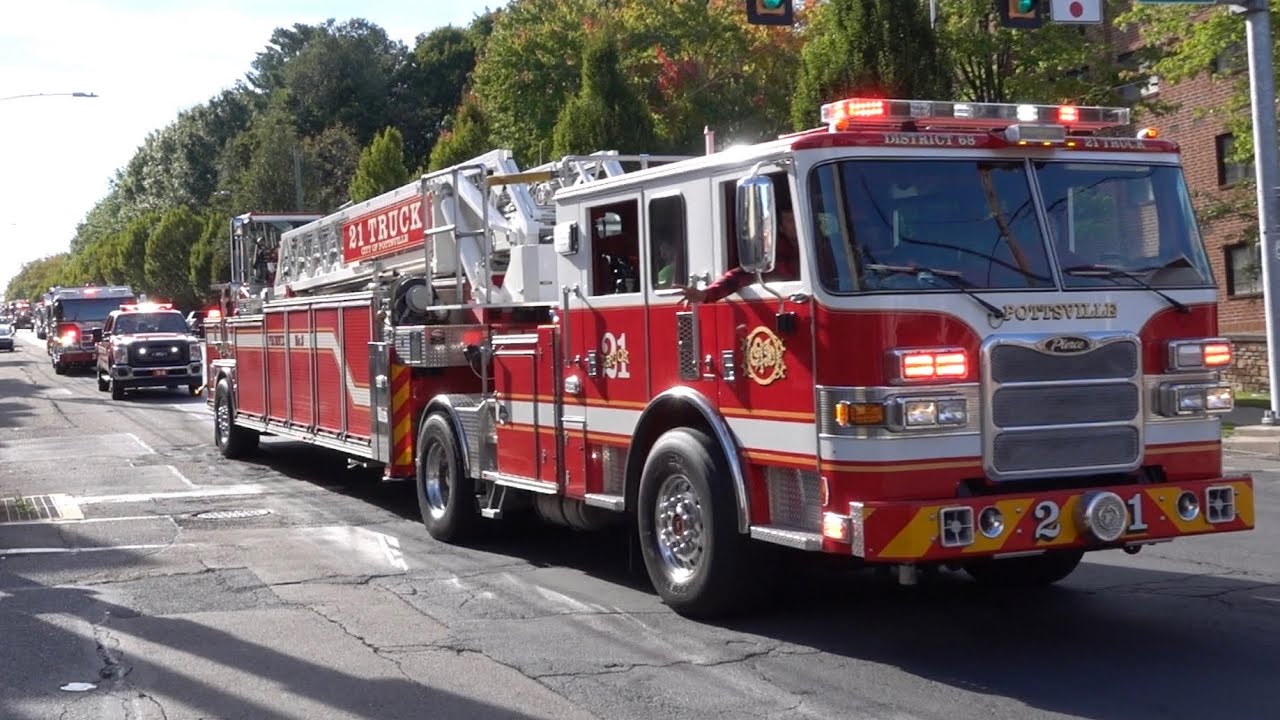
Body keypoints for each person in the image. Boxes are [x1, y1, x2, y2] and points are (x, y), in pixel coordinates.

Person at [680, 209, 799, 304]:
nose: (795, 223)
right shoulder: (773, 256)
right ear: (781, 228)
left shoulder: (816, 247)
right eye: (789, 220)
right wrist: (706, 294)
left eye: (797, 218)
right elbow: (740, 276)